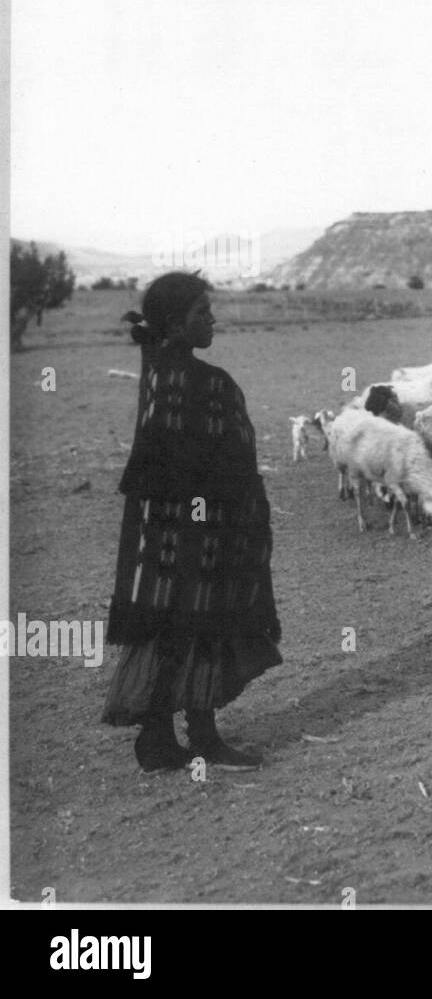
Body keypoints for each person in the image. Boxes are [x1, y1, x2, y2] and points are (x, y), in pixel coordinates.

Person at [102, 272, 281, 772]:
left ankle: (158, 738)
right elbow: (228, 461)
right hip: (203, 528)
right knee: (204, 613)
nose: (211, 320)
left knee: (165, 621)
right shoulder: (206, 383)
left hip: (158, 531)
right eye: (200, 313)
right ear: (175, 324)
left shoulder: (159, 373)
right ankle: (202, 736)